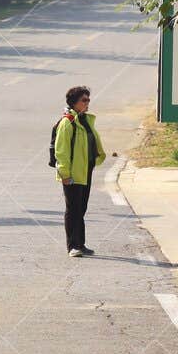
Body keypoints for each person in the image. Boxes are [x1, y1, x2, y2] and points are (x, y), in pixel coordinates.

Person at [54, 85, 107, 258]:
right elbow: (61, 151)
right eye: (84, 100)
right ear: (74, 102)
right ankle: (72, 246)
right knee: (73, 208)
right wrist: (64, 174)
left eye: (88, 99)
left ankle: (81, 244)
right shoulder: (68, 122)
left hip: (85, 170)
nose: (87, 102)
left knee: (81, 208)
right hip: (72, 173)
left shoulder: (84, 119)